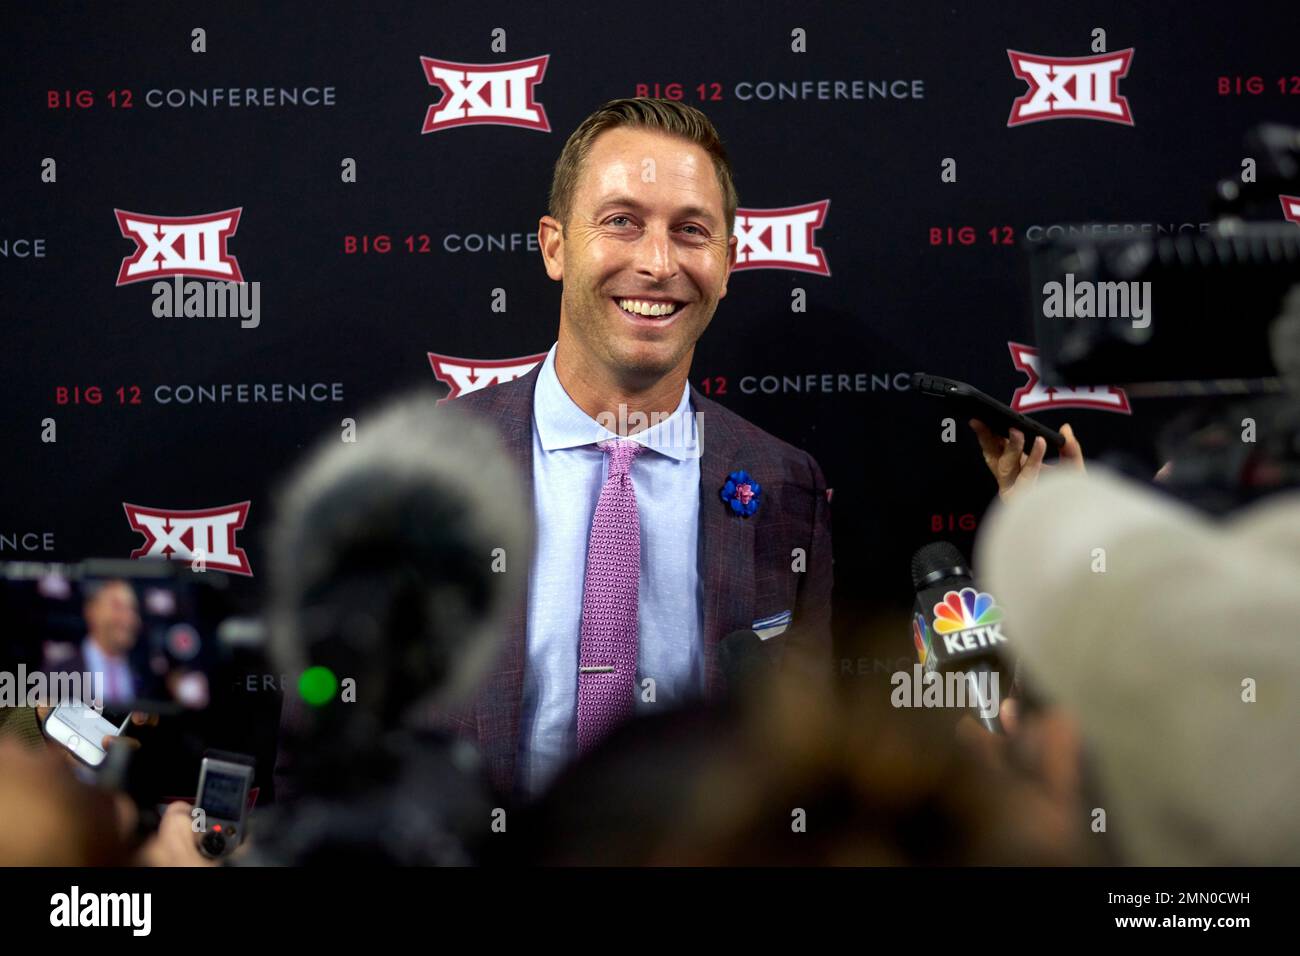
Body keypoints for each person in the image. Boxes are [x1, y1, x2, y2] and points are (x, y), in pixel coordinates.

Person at [439, 98, 834, 801]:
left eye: (691, 231)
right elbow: (323, 760)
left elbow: (805, 763)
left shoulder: (784, 487)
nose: (658, 264)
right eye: (622, 222)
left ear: (728, 262)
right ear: (555, 246)